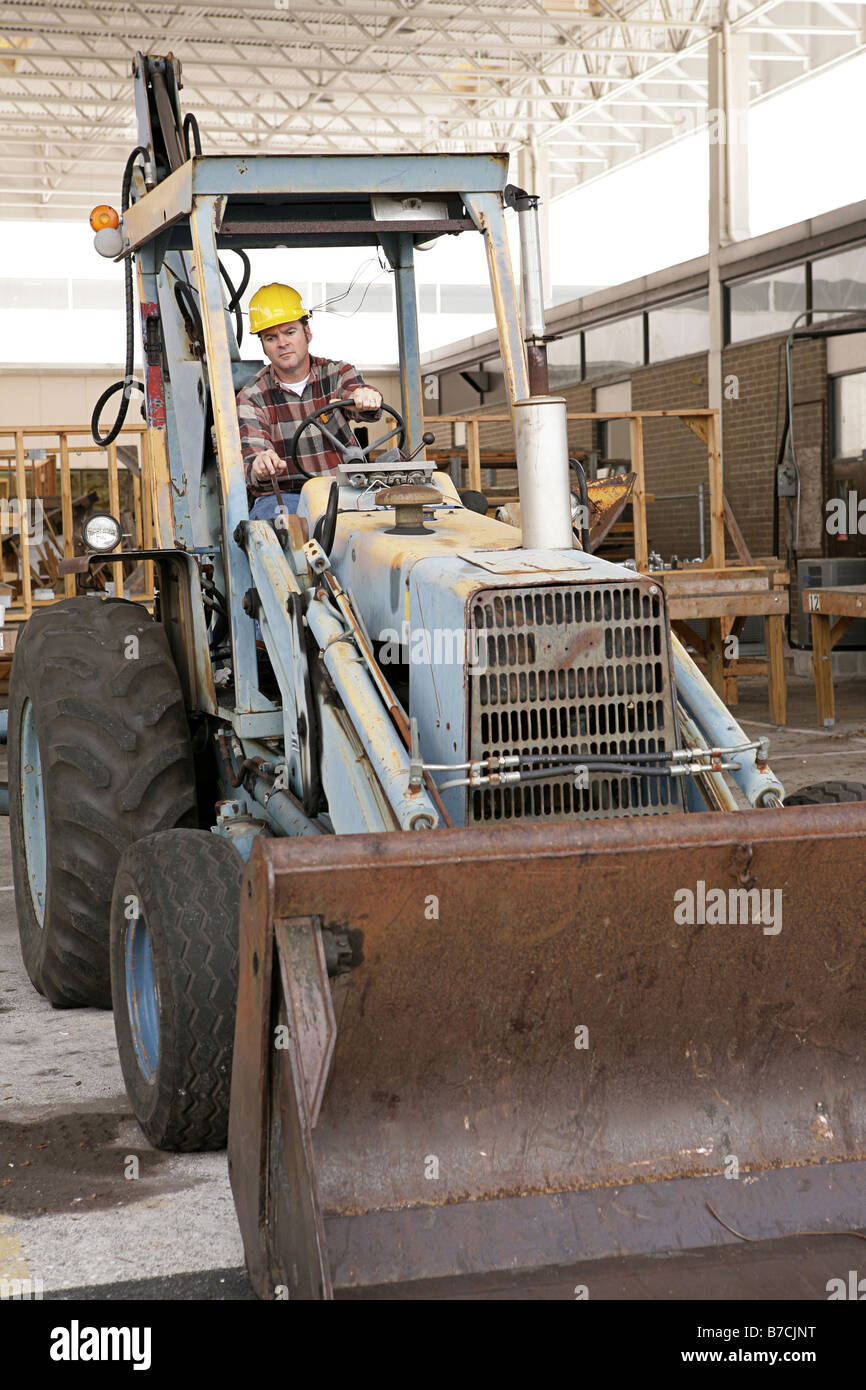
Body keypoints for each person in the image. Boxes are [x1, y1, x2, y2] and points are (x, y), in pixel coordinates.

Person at [236, 282, 382, 518]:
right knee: (269, 530)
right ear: (263, 346)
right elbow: (254, 452)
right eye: (271, 337)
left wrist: (365, 397)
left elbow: (356, 395)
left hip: (346, 490)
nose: (282, 343)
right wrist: (262, 464)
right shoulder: (251, 397)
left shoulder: (337, 374)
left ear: (307, 333)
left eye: (290, 332)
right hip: (288, 497)